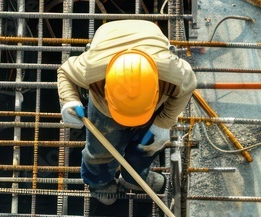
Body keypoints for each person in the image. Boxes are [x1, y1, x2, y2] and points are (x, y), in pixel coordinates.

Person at [57, 19, 196, 205]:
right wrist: (69, 101)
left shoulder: (173, 74)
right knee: (100, 151)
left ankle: (135, 178)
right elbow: (64, 72)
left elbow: (188, 87)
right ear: (105, 89)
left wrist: (164, 122)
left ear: (157, 91)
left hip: (150, 106)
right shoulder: (91, 70)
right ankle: (99, 183)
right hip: (106, 110)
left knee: (146, 146)